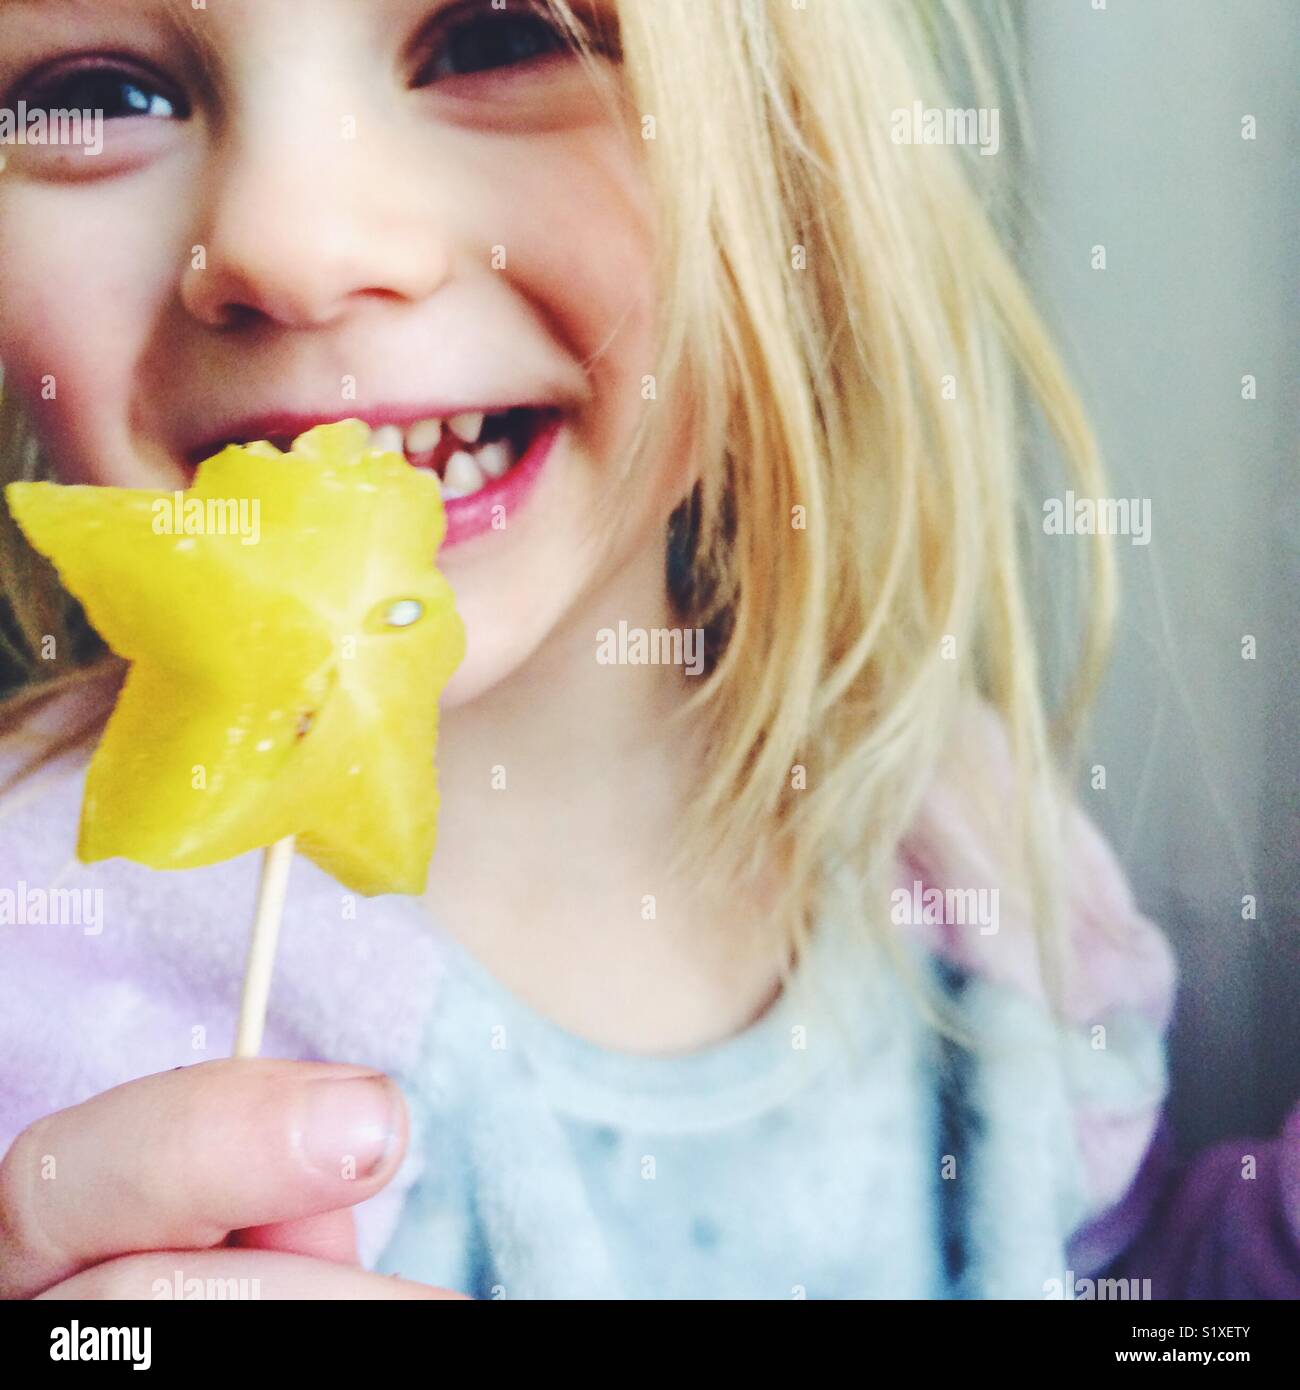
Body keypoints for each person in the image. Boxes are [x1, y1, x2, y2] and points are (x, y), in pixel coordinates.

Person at [0, 0, 1294, 1300]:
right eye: (105, 92)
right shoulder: (38, 999)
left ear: (794, 147)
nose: (293, 244)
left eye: (501, 35)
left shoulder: (961, 849)